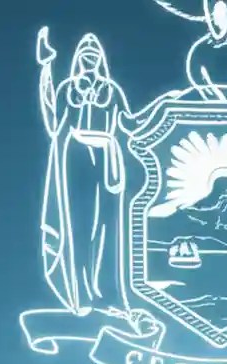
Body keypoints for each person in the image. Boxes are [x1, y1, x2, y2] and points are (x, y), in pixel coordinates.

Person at [37, 30, 133, 320]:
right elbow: (55, 123)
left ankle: (109, 298)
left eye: (95, 50)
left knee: (108, 227)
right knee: (77, 226)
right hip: (76, 153)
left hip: (107, 154)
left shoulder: (112, 91)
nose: (90, 52)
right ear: (79, 58)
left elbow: (127, 124)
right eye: (85, 50)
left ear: (100, 58)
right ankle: (80, 297)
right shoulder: (68, 89)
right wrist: (46, 70)